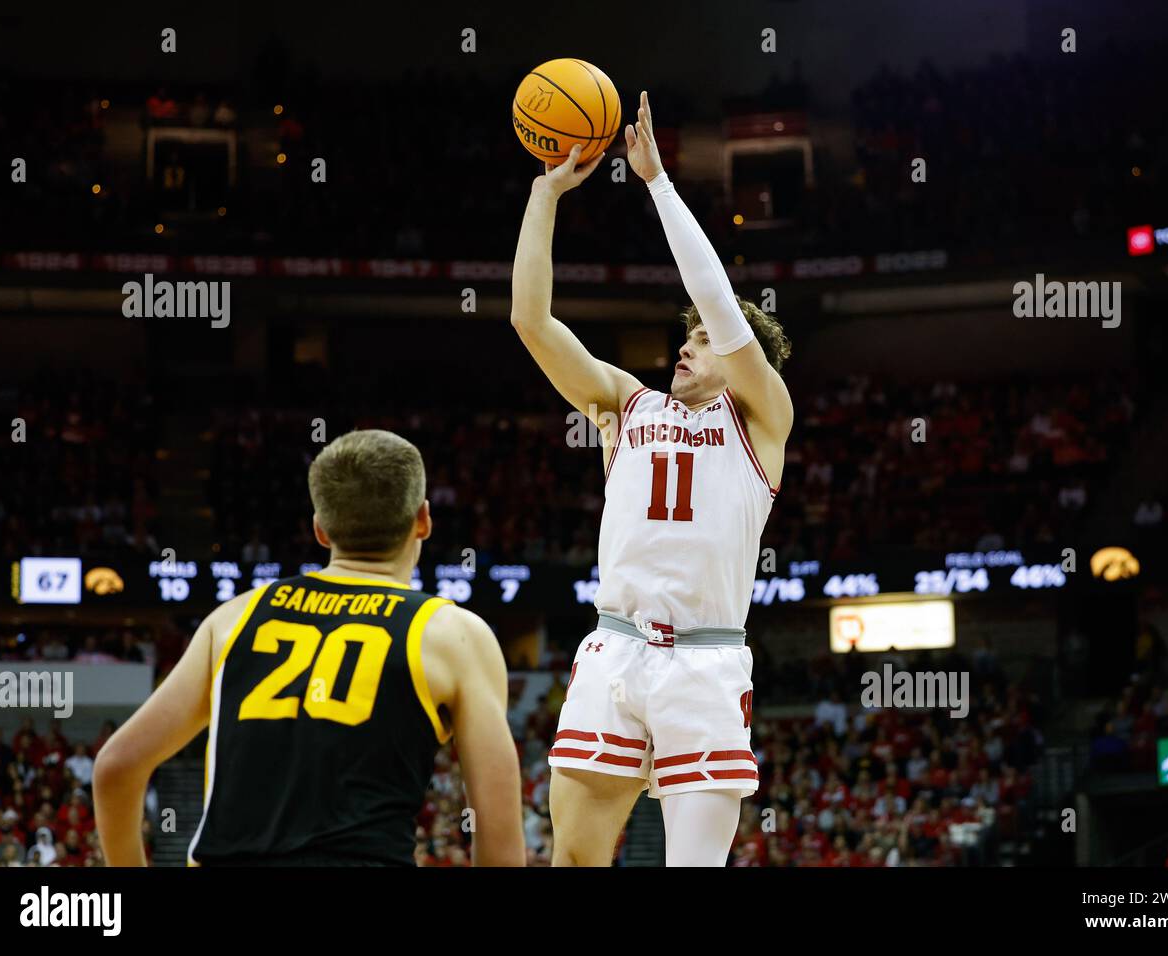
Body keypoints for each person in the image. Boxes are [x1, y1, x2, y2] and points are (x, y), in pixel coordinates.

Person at [511, 92, 793, 866]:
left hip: (705, 661)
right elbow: (531, 321)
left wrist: (658, 185)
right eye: (688, 337)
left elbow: (720, 308)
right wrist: (545, 195)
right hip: (616, 648)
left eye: (705, 341)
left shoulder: (761, 419)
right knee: (573, 859)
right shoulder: (624, 403)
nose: (688, 346)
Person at [94, 430, 524, 866]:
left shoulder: (233, 618)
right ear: (423, 520)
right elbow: (498, 836)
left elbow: (116, 766)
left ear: (320, 529)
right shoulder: (454, 635)